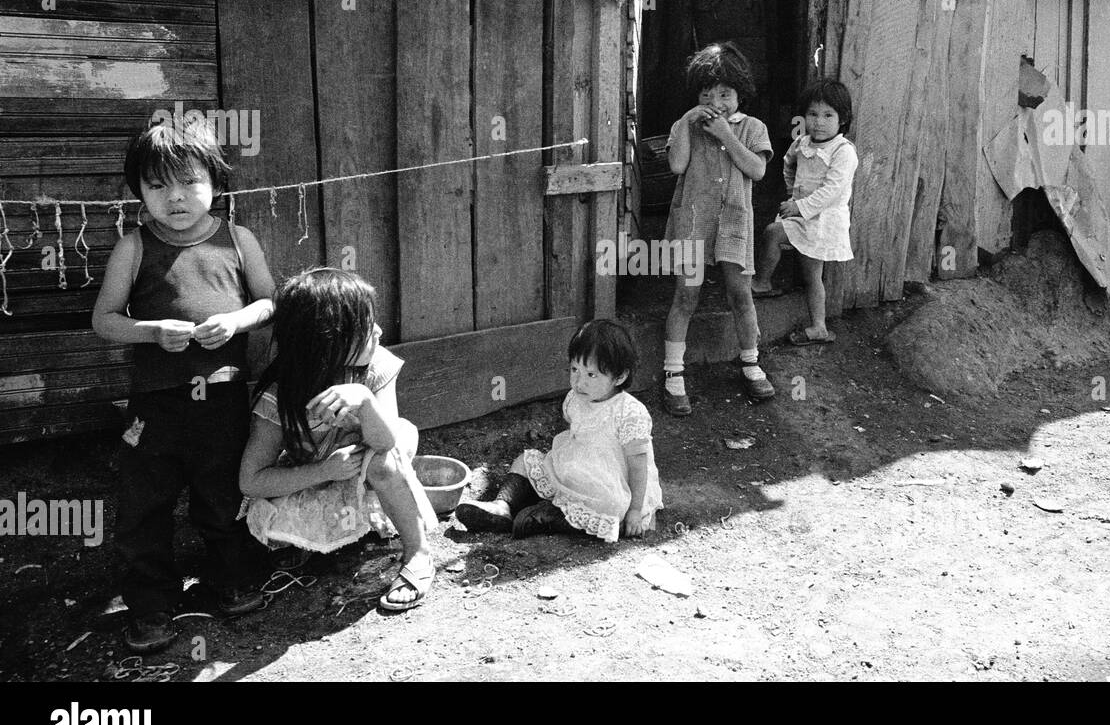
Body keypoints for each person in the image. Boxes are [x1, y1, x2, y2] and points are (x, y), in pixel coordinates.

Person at [92, 115, 276, 655]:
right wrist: (150, 331)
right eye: (157, 186)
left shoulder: (238, 241)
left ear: (215, 180)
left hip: (223, 401)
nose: (175, 198)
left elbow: (271, 302)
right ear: (139, 192)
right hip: (156, 407)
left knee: (225, 495)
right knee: (145, 505)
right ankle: (149, 607)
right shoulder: (134, 247)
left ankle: (234, 580)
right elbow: (104, 319)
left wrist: (237, 322)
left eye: (189, 182)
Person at [238, 268, 437, 612]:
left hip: (369, 462)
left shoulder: (375, 366)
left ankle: (417, 551)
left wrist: (364, 400)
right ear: (328, 340)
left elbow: (386, 440)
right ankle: (320, 540)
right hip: (320, 472)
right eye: (365, 325)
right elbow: (250, 481)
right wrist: (325, 471)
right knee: (280, 519)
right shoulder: (280, 396)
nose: (378, 330)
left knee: (383, 462)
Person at [456, 319, 662, 541]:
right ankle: (502, 506)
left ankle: (551, 519)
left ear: (619, 376)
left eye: (591, 375)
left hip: (607, 483)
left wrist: (634, 511)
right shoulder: (576, 398)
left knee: (610, 506)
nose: (579, 381)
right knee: (524, 462)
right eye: (575, 369)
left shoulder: (630, 412)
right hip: (577, 465)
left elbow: (639, 465)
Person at [661, 42, 775, 416]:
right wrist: (685, 121)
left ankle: (751, 363)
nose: (717, 101)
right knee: (686, 296)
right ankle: (673, 375)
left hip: (734, 224)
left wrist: (726, 134)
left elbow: (757, 171)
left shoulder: (753, 128)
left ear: (740, 94)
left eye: (725, 94)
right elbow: (677, 166)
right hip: (694, 222)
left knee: (740, 294)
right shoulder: (688, 127)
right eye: (707, 94)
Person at [752, 79, 859, 345]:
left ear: (842, 119)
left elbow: (832, 191)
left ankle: (818, 327)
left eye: (827, 115)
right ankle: (763, 283)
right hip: (802, 215)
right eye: (812, 114)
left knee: (812, 274)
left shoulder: (844, 152)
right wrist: (793, 193)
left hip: (823, 222)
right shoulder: (802, 143)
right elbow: (788, 165)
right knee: (773, 234)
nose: (818, 122)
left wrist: (799, 206)